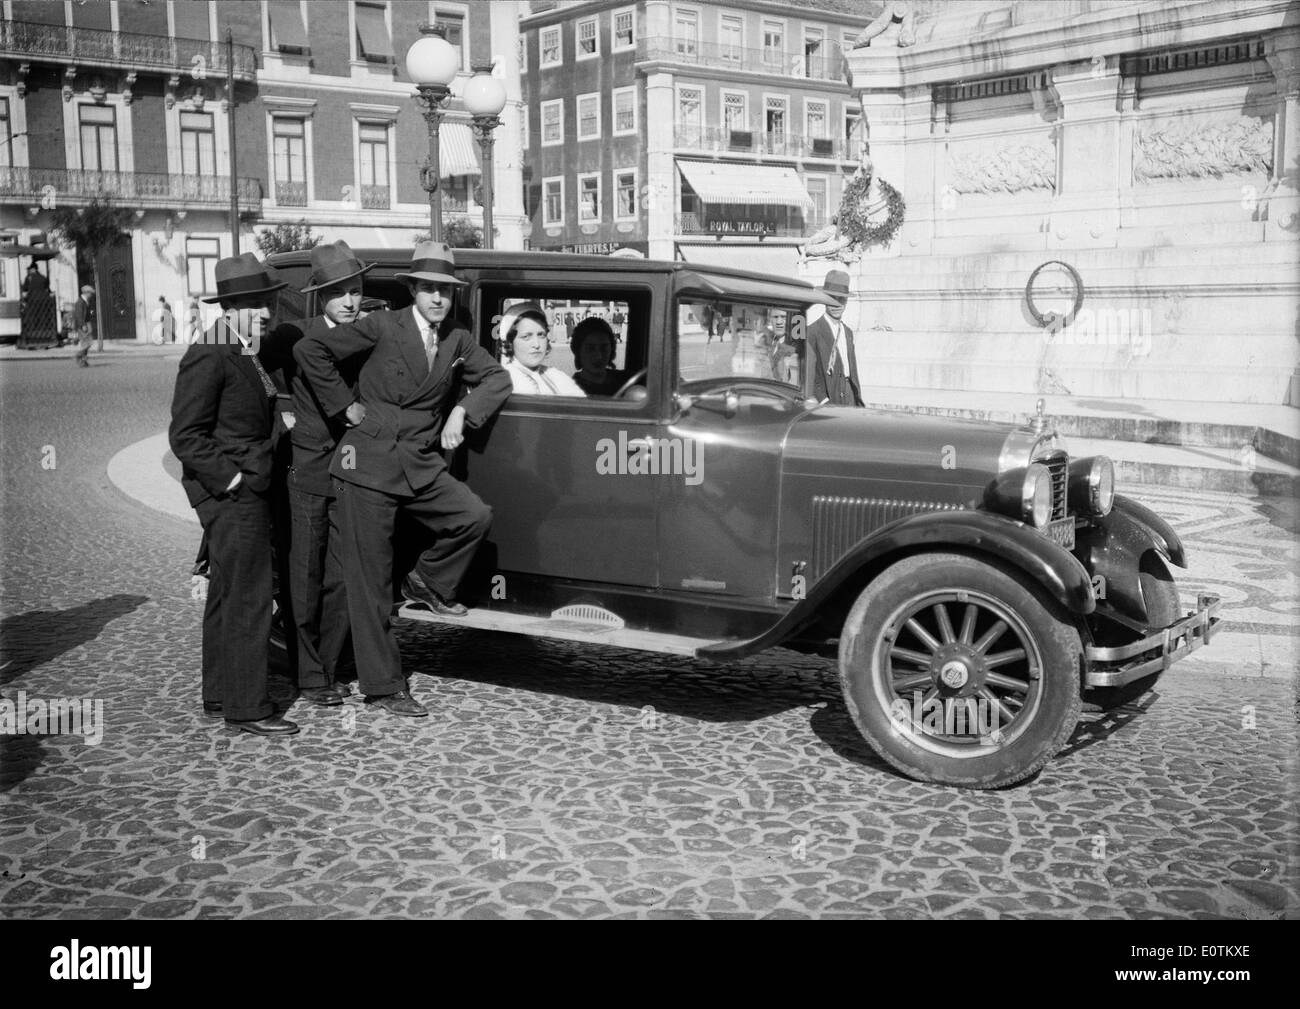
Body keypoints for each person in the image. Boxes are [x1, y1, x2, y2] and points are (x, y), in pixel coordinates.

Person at [293, 241, 512, 718]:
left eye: (445, 291)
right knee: (368, 583)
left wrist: (461, 410)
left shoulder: (456, 339)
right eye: (429, 289)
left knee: (473, 516)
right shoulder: (382, 325)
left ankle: (425, 582)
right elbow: (310, 349)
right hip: (367, 464)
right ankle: (383, 685)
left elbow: (497, 379)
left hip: (420, 462)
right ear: (412, 290)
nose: (437, 299)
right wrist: (341, 404)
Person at [168, 252, 299, 737]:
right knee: (249, 595)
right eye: (255, 303)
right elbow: (185, 435)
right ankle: (248, 708)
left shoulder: (240, 346)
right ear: (230, 306)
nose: (267, 312)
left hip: (242, 488)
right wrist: (233, 479)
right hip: (231, 495)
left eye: (268, 301)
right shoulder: (211, 351)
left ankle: (220, 693)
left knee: (225, 594)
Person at [269, 241, 371, 709]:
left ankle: (325, 667)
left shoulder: (371, 333)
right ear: (319, 296)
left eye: (355, 289)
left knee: (345, 577)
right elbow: (247, 370)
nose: (350, 300)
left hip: (356, 474)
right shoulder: (294, 334)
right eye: (339, 292)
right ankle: (309, 677)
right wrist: (274, 427)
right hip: (308, 471)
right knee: (304, 578)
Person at [501, 302, 586, 396]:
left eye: (541, 335)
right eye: (526, 337)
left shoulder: (556, 376)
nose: (536, 344)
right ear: (510, 341)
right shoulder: (502, 380)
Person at [807, 269, 864, 406]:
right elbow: (808, 372)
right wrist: (822, 400)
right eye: (832, 298)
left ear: (846, 301)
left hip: (850, 395)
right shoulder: (812, 331)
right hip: (829, 397)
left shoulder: (848, 332)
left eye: (841, 299)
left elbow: (852, 370)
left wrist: (857, 399)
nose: (837, 304)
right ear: (824, 299)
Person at [570, 317, 625, 396]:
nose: (599, 356)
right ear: (578, 350)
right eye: (590, 349)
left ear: (611, 349)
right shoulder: (570, 389)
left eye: (604, 348)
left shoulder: (625, 380)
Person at [71, 285, 95, 367]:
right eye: (91, 293)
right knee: (87, 343)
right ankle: (78, 356)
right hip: (82, 325)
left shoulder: (85, 301)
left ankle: (83, 360)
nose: (91, 295)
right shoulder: (80, 302)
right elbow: (79, 315)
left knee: (88, 342)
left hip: (86, 324)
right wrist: (83, 325)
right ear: (86, 293)